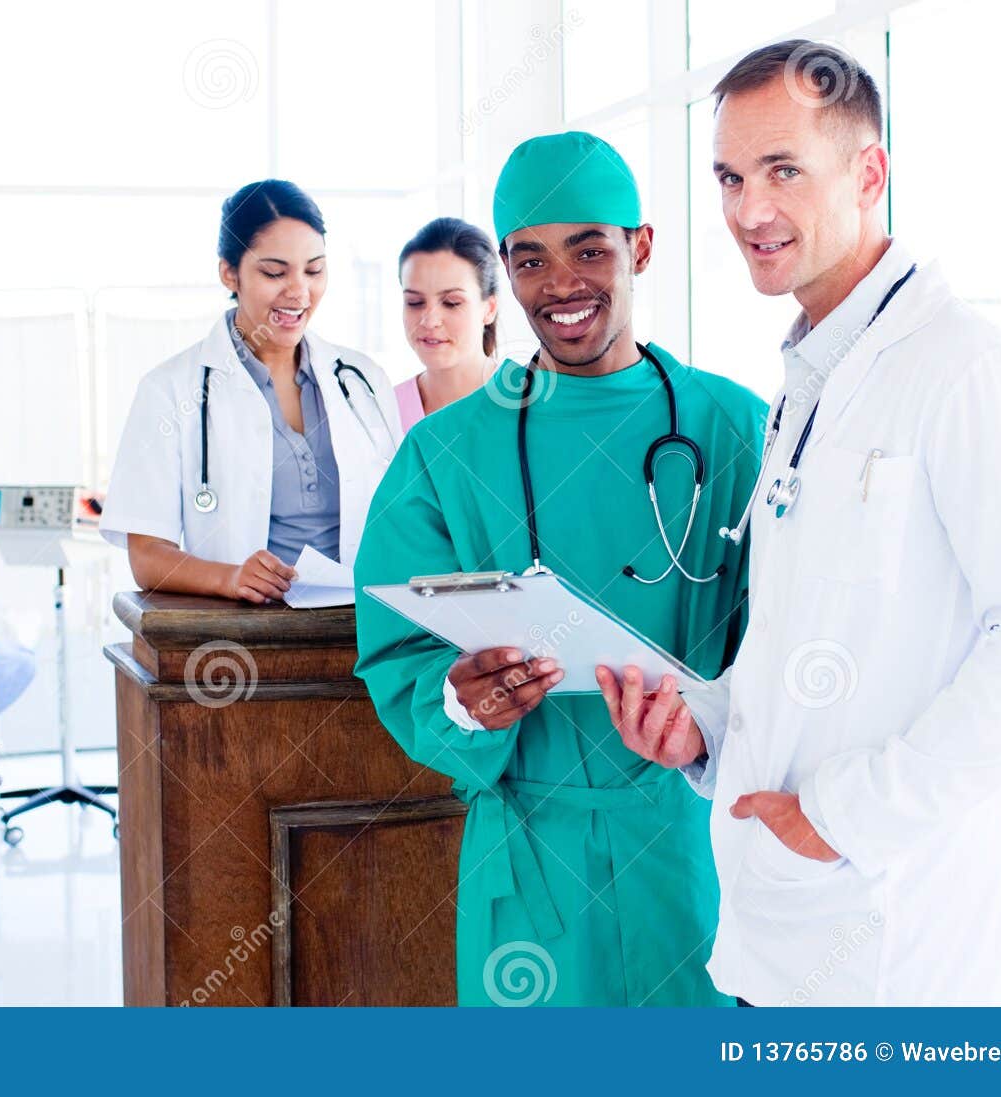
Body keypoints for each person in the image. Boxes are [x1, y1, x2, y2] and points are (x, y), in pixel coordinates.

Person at [599, 41, 1001, 1005]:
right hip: (774, 934)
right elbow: (814, 644)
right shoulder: (811, 381)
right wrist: (702, 727)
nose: (750, 210)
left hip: (894, 950)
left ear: (869, 173)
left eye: (784, 170)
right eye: (731, 177)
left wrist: (842, 815)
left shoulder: (965, 369)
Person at [354, 132, 768, 1006]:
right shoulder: (445, 452)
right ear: (506, 272)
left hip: (695, 852)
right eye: (531, 258)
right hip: (531, 867)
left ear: (641, 248)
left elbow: (797, 631)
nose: (562, 283)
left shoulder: (735, 429)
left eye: (590, 249)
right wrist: (464, 700)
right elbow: (397, 655)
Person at [100, 179, 403, 603]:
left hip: (358, 631)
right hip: (244, 636)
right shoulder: (169, 390)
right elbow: (147, 556)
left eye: (314, 270)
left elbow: (401, 522)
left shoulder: (363, 380)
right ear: (229, 272)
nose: (298, 292)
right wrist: (229, 578)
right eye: (274, 272)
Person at [394, 217, 500, 429]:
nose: (430, 321)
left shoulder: (530, 401)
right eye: (415, 302)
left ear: (489, 309)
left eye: (452, 303)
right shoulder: (384, 411)